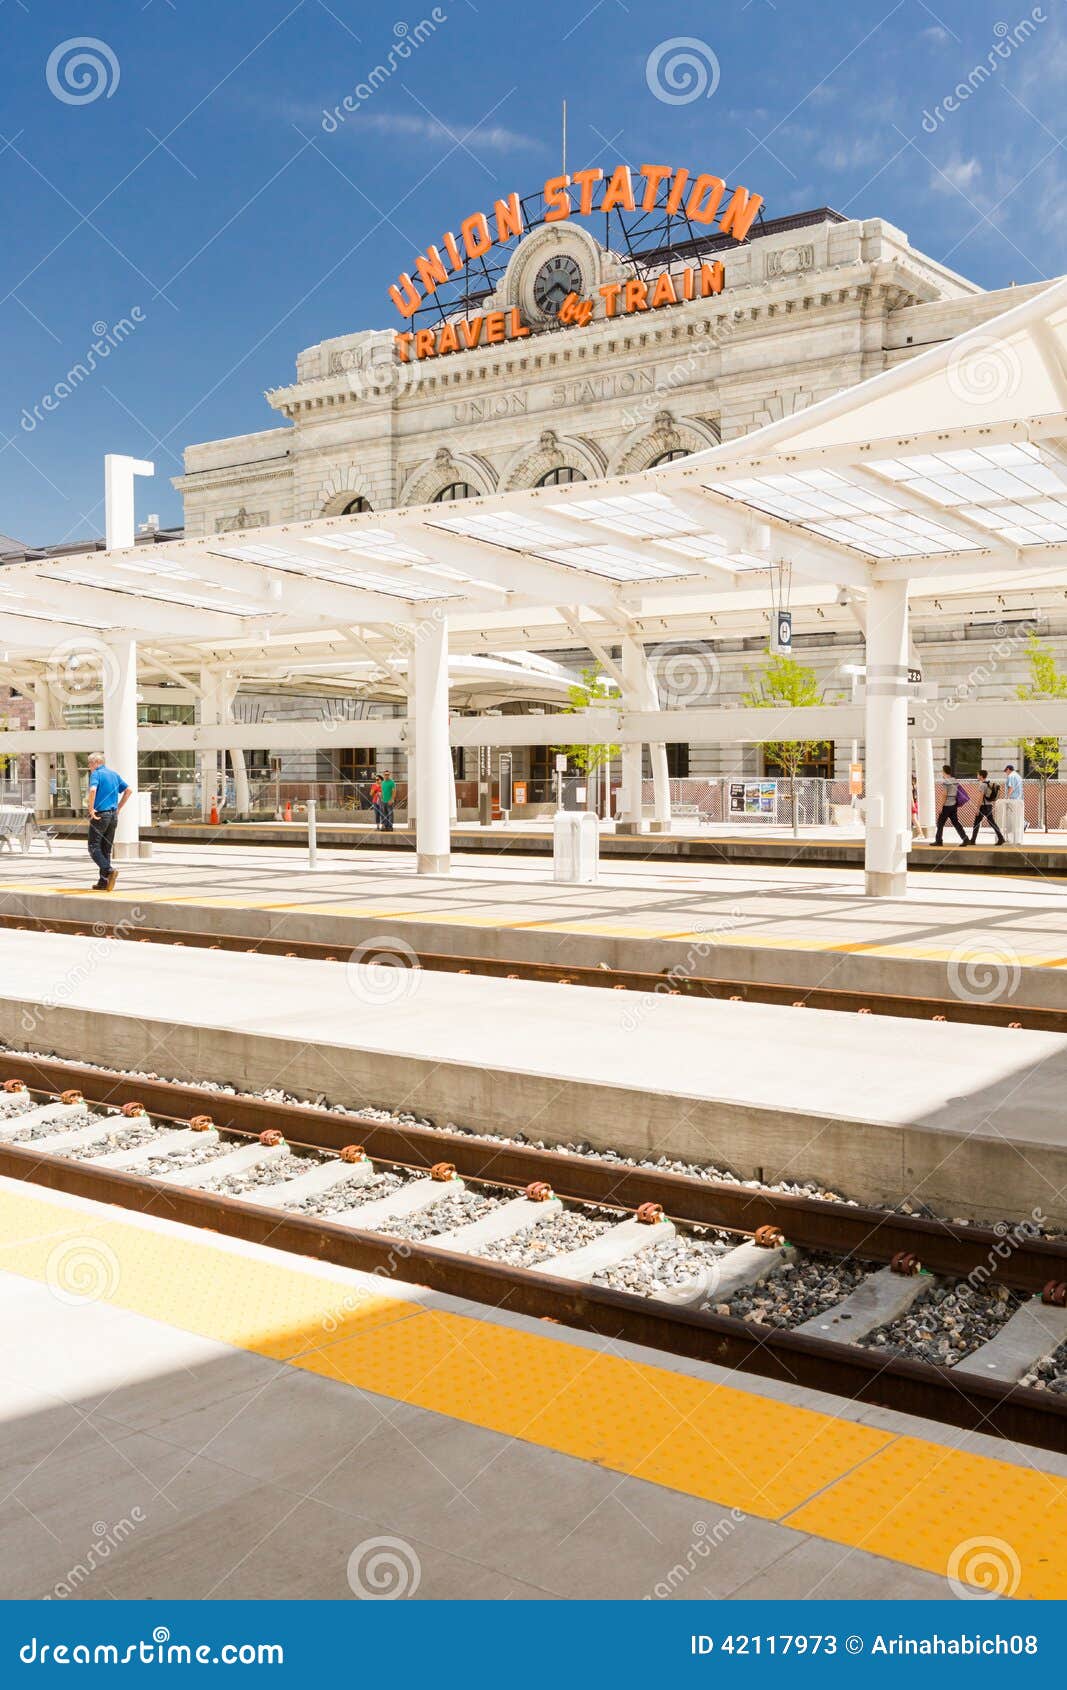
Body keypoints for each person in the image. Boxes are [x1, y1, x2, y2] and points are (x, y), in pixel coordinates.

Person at [86, 751, 131, 890]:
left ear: (96, 763)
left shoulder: (96, 774)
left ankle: (109, 870)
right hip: (113, 816)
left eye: (89, 763)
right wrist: (118, 808)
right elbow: (129, 790)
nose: (89, 766)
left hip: (101, 815)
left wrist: (91, 808)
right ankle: (104, 882)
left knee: (93, 847)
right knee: (106, 849)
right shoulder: (114, 775)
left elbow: (93, 790)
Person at [935, 764, 969, 845]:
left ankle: (939, 841)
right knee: (956, 823)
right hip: (953, 805)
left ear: (944, 772)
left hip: (946, 805)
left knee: (940, 823)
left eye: (942, 771)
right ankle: (965, 839)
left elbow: (944, 794)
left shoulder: (946, 782)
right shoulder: (955, 780)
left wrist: (940, 806)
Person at [970, 769, 1005, 845]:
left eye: (978, 775)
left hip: (983, 807)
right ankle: (1001, 838)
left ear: (981, 776)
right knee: (992, 823)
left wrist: (977, 808)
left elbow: (980, 798)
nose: (977, 776)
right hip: (989, 806)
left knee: (976, 823)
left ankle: (972, 840)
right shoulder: (988, 783)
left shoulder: (982, 785)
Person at [1003, 763, 1025, 844]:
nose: (1006, 773)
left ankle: (1010, 838)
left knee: (1010, 819)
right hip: (1019, 800)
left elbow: (1011, 787)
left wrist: (1007, 797)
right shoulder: (1018, 776)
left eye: (1006, 771)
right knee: (1017, 818)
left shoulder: (1011, 776)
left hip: (1012, 800)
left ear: (1008, 769)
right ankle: (1017, 838)